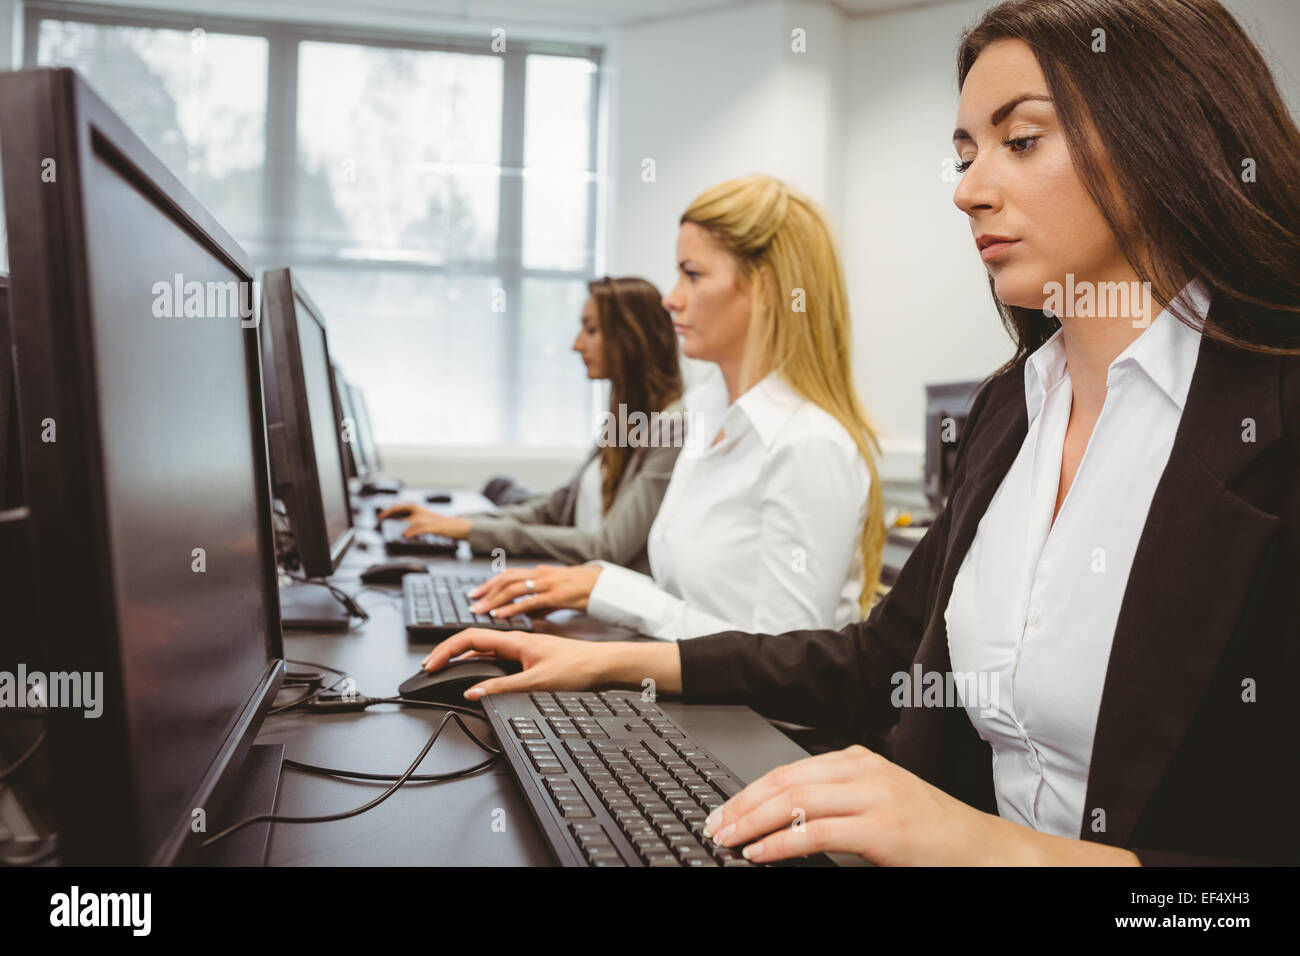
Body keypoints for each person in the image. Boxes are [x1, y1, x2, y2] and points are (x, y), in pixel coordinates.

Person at [418, 0, 1300, 865]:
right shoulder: (1013, 409)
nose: (967, 190)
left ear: (1164, 136)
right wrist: (617, 663)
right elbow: (873, 661)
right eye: (963, 154)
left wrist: (995, 850)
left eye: (1020, 141)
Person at [465, 175, 888, 640]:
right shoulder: (704, 418)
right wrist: (585, 591)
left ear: (766, 287)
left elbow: (785, 661)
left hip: (757, 716)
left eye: (693, 274)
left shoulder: (806, 444)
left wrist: (606, 591)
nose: (671, 298)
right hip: (695, 704)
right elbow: (684, 603)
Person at [379, 277, 684, 574]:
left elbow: (608, 547)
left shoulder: (672, 430)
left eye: (591, 330)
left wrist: (470, 531)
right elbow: (554, 510)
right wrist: (455, 522)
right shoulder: (622, 423)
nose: (577, 345)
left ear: (631, 338)